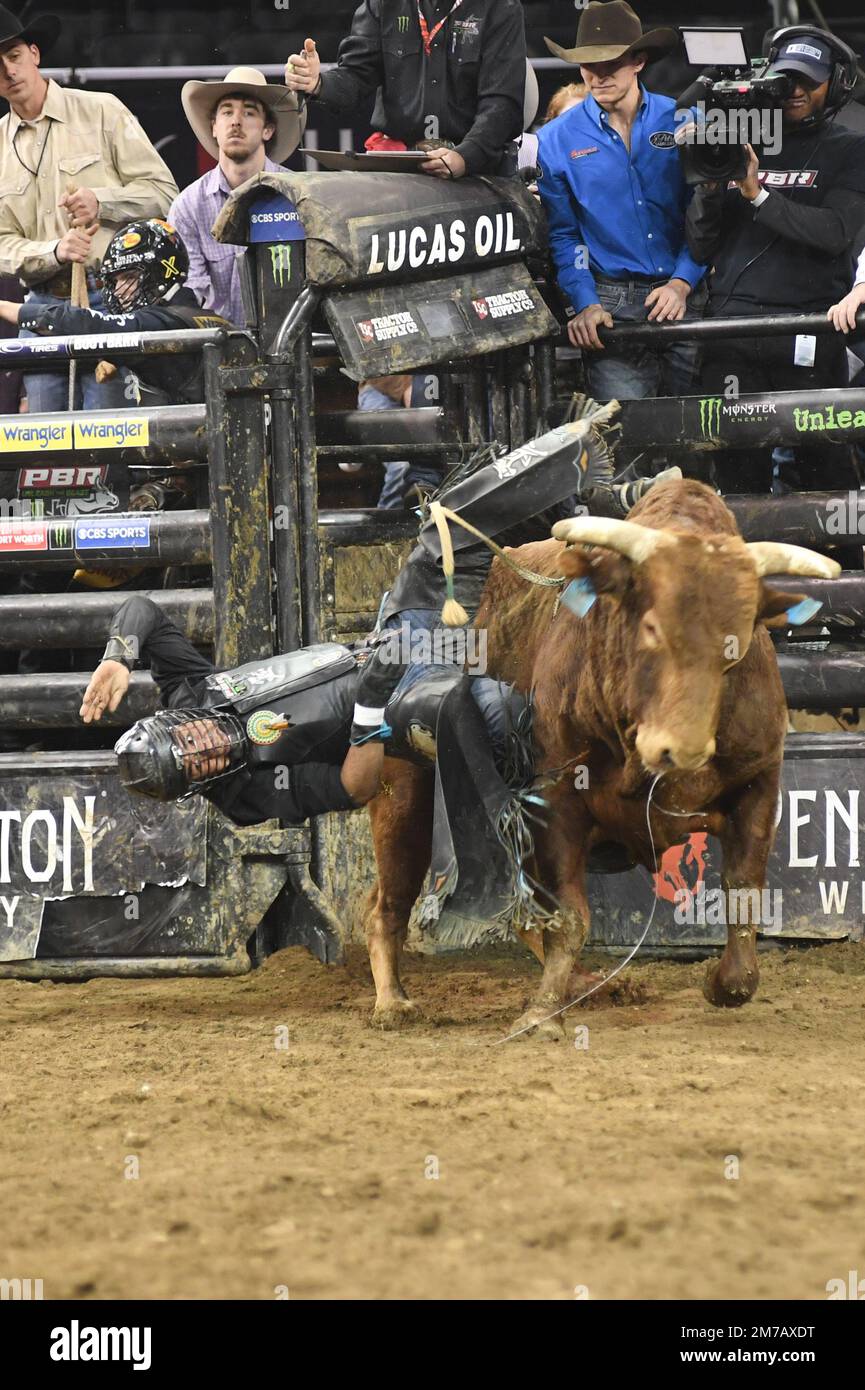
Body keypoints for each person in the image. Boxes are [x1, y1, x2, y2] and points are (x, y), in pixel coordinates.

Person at [686, 26, 865, 491]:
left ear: (838, 83)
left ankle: (845, 561)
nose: (796, 91)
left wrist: (757, 193)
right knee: (736, 474)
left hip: (807, 329)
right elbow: (702, 247)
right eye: (786, 79)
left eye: (809, 80)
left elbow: (835, 233)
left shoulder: (853, 148)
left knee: (823, 473)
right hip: (732, 334)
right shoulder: (739, 144)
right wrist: (708, 190)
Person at [0, 5, 178, 412]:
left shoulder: (101, 110)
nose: (8, 71)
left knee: (112, 439)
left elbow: (165, 192)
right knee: (48, 444)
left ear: (35, 54)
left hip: (112, 296)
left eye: (13, 56)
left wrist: (103, 201)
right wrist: (53, 251)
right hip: (43, 304)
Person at [537, 1, 707, 403]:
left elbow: (705, 213)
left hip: (686, 296)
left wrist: (682, 282)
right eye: (587, 64)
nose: (597, 75)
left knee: (696, 443)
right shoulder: (556, 139)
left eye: (610, 61)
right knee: (627, 446)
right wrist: (585, 302)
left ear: (638, 61)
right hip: (611, 302)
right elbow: (564, 233)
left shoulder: (684, 119)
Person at [0, 218, 232, 406]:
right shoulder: (195, 315)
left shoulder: (170, 321)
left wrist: (5, 307)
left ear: (162, 272)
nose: (120, 291)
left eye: (130, 278)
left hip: (200, 456)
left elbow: (93, 325)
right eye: (115, 281)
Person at [284, 2, 527, 179]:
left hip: (477, 171)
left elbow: (502, 103)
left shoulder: (500, 6)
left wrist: (466, 157)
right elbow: (357, 75)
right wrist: (317, 83)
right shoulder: (382, 4)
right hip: (399, 167)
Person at [169, 67, 305, 327]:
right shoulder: (188, 206)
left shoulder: (298, 195)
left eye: (249, 112)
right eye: (227, 112)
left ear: (268, 130)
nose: (236, 121)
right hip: (218, 348)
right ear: (214, 128)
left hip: (291, 344)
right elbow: (188, 296)